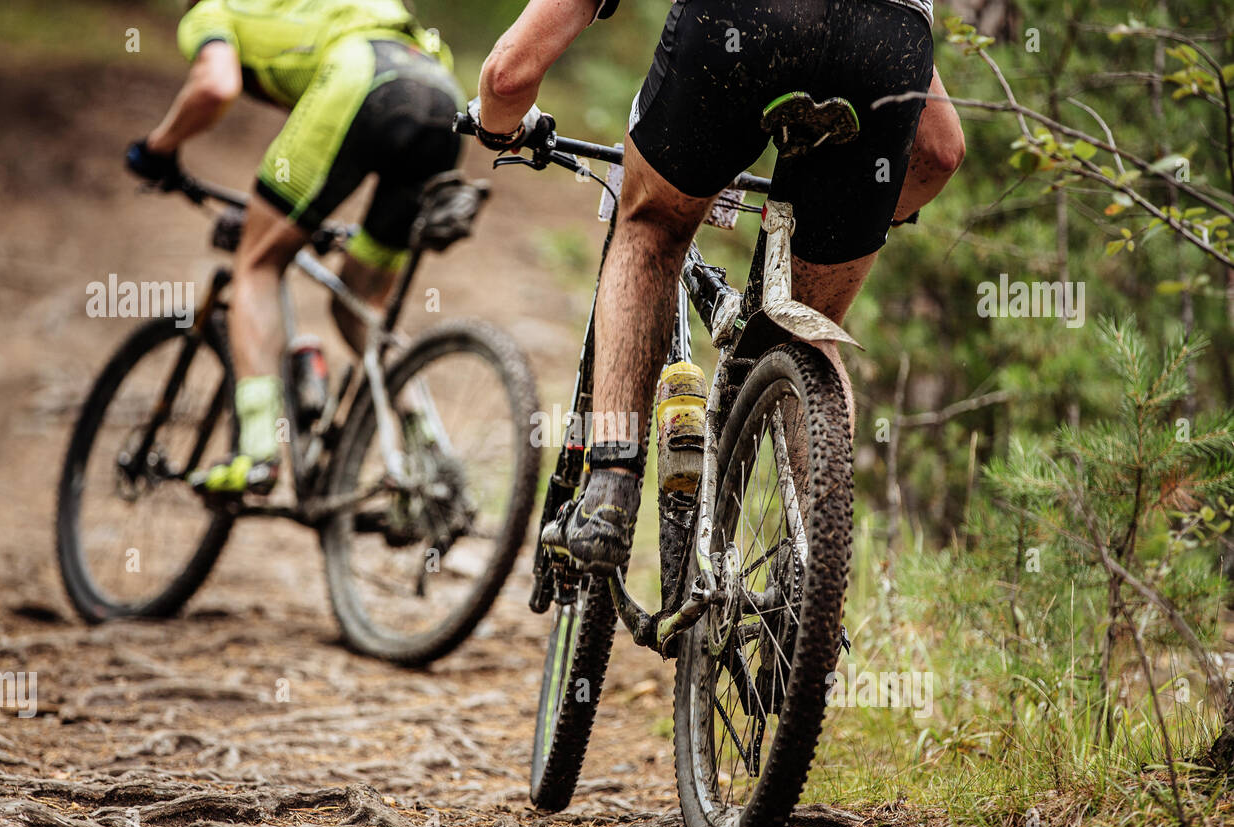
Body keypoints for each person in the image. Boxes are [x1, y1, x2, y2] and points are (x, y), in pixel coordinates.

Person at [470, 0, 963, 569]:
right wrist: (870, 212)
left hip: (744, 21)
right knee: (811, 334)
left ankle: (609, 490)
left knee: (653, 230)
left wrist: (495, 127)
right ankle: (813, 588)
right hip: (888, 43)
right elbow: (941, 154)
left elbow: (510, 74)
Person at [126, 0, 464, 495]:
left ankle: (258, 453)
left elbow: (216, 86)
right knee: (361, 305)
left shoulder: (214, 10)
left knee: (258, 262)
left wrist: (156, 149)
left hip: (362, 78)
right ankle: (427, 455)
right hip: (440, 96)